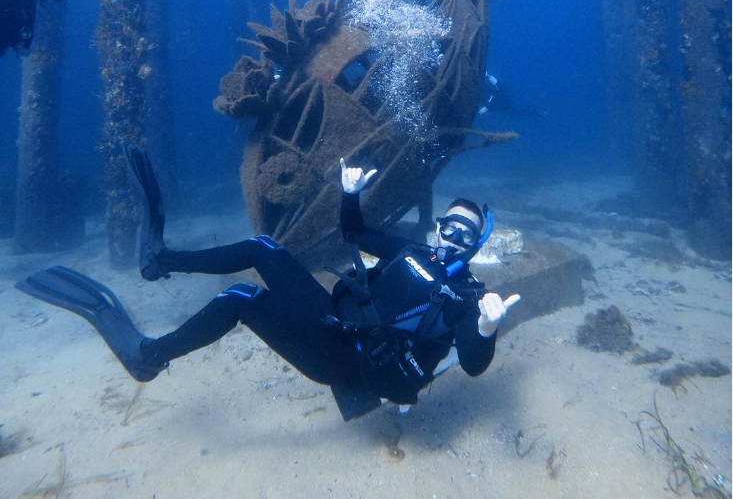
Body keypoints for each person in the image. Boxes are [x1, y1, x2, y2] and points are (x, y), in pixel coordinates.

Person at [16, 150, 520, 421]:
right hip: (336, 317)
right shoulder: (414, 252)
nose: (451, 236)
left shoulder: (469, 295)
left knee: (241, 299)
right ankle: (161, 260)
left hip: (349, 361)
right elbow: (356, 234)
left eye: (465, 233)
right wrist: (350, 196)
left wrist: (488, 326)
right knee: (261, 246)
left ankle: (148, 357)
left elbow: (474, 365)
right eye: (447, 226)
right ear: (436, 230)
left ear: (476, 245)